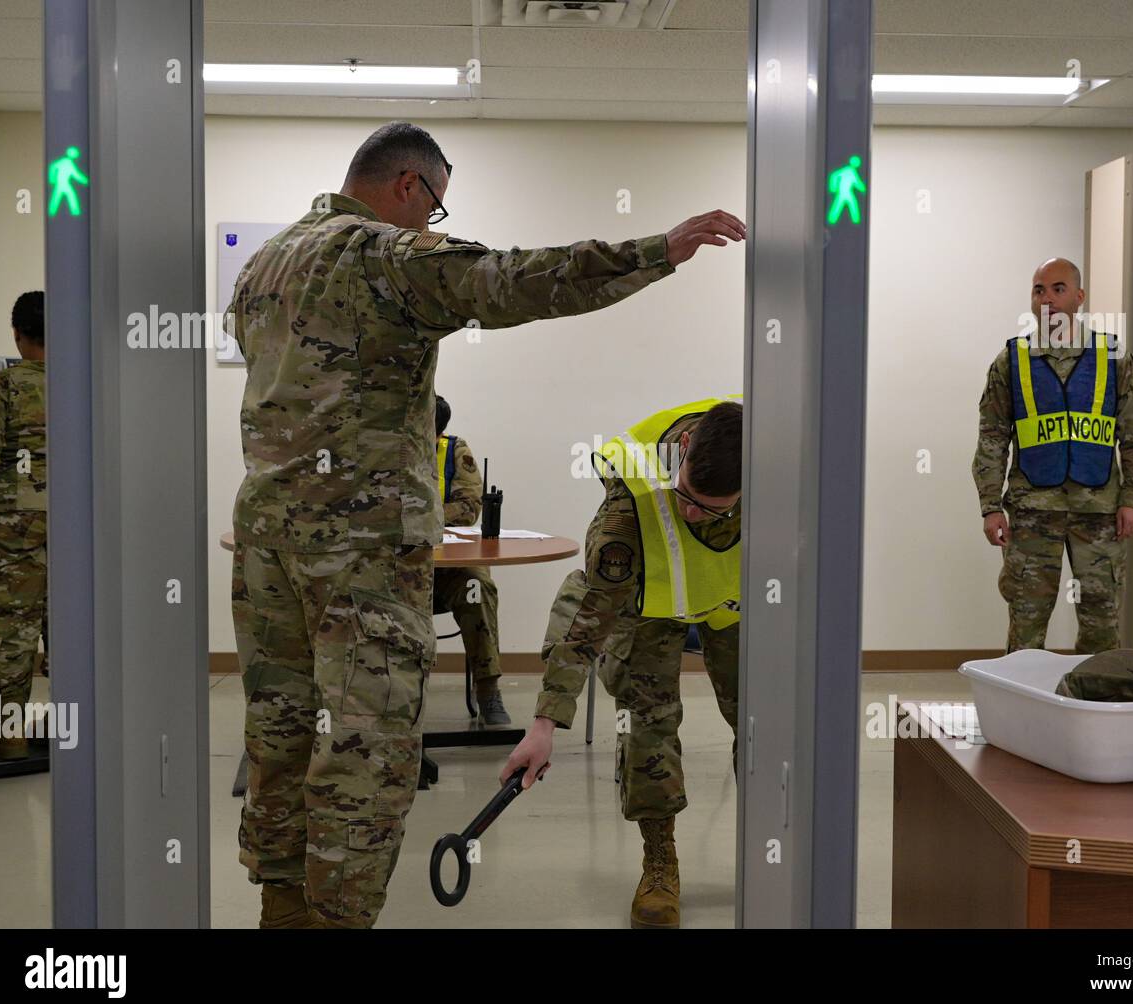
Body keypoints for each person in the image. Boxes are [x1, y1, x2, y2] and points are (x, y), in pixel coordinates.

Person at [227, 120, 745, 929]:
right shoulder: (382, 254)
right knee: (366, 747)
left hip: (267, 537)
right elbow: (514, 279)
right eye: (433, 209)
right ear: (409, 186)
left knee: (282, 723)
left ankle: (282, 908)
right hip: (359, 547)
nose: (430, 225)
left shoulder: (262, 265)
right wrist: (656, 251)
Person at [503, 397, 742, 929]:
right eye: (687, 495)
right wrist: (545, 722)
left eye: (713, 507)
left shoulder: (788, 472)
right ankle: (659, 863)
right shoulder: (631, 499)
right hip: (645, 603)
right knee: (646, 723)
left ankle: (775, 844)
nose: (692, 513)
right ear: (684, 448)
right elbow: (591, 613)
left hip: (738, 606)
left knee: (766, 725)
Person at [973, 257, 1133, 653]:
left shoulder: (1113, 357)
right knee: (1026, 624)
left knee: (1101, 625)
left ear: (1079, 296)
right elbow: (992, 439)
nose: (1048, 299)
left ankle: (1097, 710)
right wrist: (990, 507)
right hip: (1032, 513)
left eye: (1058, 289)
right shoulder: (1012, 360)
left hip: (1101, 514)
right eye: (1039, 290)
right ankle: (1024, 712)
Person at [0, 292, 47, 760]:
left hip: (9, 532)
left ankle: (5, 736)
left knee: (10, 632)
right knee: (80, 630)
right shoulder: (90, 386)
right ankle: (83, 733)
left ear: (17, 336)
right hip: (81, 530)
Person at [433, 395, 508, 725]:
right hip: (392, 567)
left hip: (445, 569)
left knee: (478, 585)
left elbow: (467, 511)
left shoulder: (453, 451)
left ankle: (488, 690)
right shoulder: (378, 449)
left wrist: (417, 518)